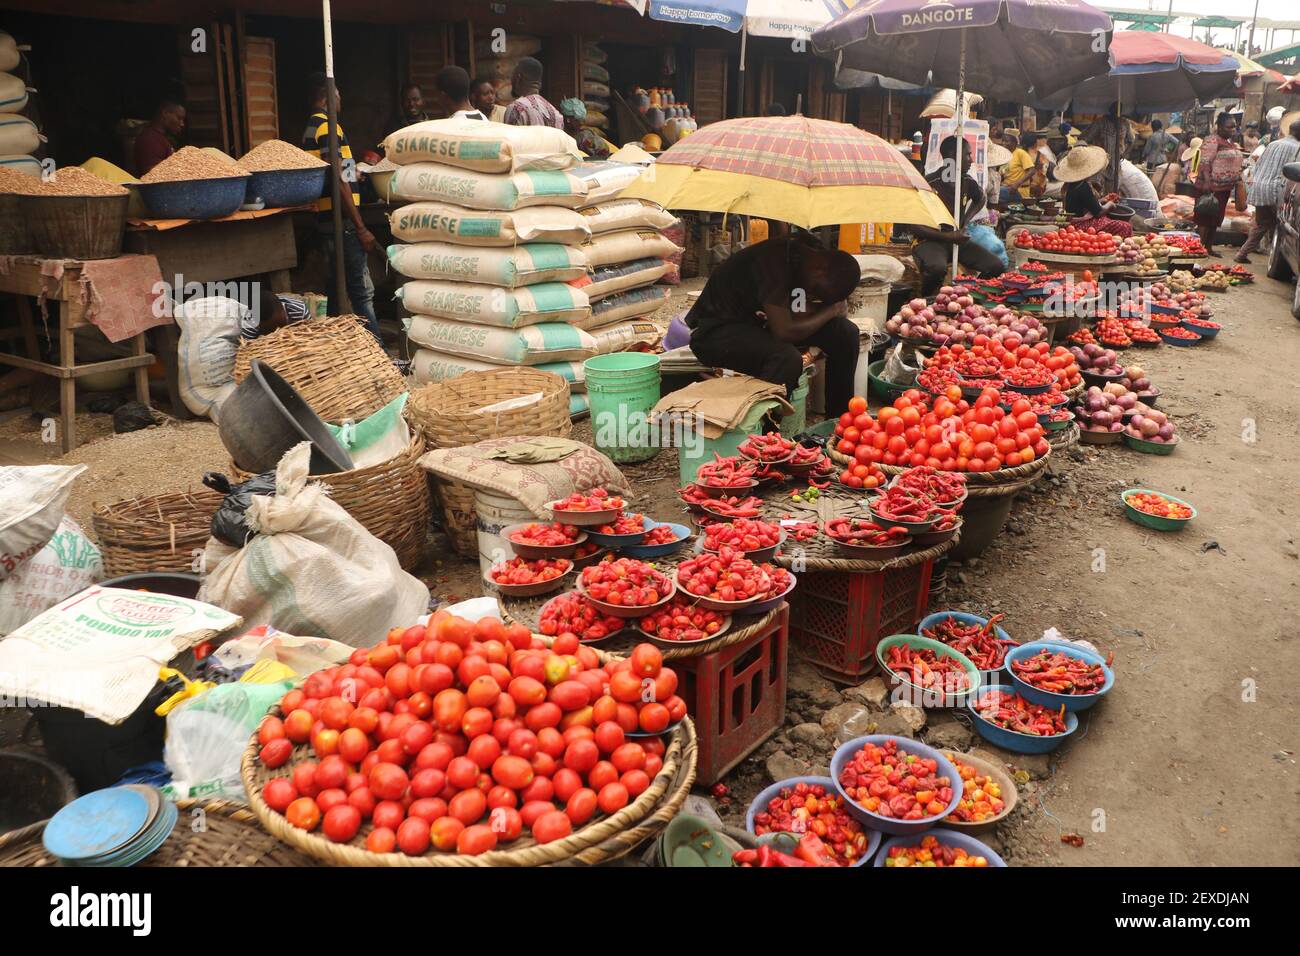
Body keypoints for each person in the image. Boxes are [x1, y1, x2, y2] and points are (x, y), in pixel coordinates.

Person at [684, 234, 863, 417]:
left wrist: (824, 310)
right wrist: (830, 311)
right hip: (715, 333)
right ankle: (767, 433)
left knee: (844, 332)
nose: (811, 295)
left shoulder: (806, 256)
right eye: (816, 291)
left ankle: (841, 423)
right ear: (820, 269)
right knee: (786, 358)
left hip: (754, 322)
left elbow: (800, 312)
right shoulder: (773, 263)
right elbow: (785, 332)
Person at [302, 73, 380, 341]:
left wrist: (354, 173)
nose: (341, 103)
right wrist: (360, 227)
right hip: (342, 224)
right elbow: (337, 178)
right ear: (329, 96)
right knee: (362, 292)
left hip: (328, 222)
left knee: (336, 291)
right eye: (339, 98)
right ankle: (378, 351)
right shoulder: (328, 126)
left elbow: (337, 172)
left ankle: (340, 349)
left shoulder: (312, 127)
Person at [909, 135, 1006, 293]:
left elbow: (981, 197)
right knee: (936, 269)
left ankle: (969, 294)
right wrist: (949, 236)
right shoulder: (929, 184)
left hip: (957, 242)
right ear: (953, 155)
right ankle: (927, 301)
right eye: (968, 154)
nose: (971, 160)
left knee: (996, 266)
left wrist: (964, 220)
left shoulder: (966, 181)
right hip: (930, 241)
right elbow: (914, 226)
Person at [1235, 113, 1300, 263]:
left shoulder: (1273, 144)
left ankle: (1250, 254)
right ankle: (1248, 254)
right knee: (1271, 225)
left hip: (1259, 186)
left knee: (1264, 223)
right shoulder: (1297, 148)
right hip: (1276, 190)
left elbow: (1257, 165)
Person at [1192, 112, 1244, 257]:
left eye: (1234, 127)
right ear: (1220, 126)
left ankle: (1209, 247)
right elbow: (1204, 163)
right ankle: (1200, 249)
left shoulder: (1230, 143)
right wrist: (1207, 182)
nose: (1233, 130)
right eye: (1229, 127)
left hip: (1224, 189)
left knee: (1215, 220)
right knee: (1205, 219)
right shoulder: (1212, 140)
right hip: (1210, 188)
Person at [1082, 103, 1135, 194]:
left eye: (1118, 111)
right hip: (1100, 163)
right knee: (1097, 190)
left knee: (1113, 192)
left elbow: (1131, 140)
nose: (1116, 114)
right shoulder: (1100, 123)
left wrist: (1124, 153)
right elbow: (1085, 138)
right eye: (1114, 111)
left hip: (1116, 163)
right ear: (1110, 111)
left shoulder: (1125, 123)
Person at [504, 57, 563, 128]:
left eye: (512, 76)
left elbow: (510, 138)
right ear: (539, 83)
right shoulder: (555, 113)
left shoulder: (516, 109)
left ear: (518, 78)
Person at [134, 96, 185, 176]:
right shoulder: (150, 140)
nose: (182, 124)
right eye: (179, 118)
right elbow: (151, 174)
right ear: (164, 113)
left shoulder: (162, 138)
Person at [1002, 129, 1047, 201]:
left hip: (1019, 191)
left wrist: (1017, 184)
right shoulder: (1004, 155)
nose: (1004, 143)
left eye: (1007, 141)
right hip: (1007, 189)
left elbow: (1032, 170)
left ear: (1014, 142)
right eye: (1003, 141)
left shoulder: (1020, 153)